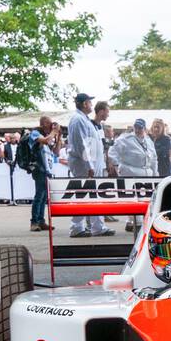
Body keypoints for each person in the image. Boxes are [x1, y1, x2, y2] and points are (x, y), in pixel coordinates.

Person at [65, 92, 111, 239]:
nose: (91, 105)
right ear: (85, 104)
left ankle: (98, 226)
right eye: (90, 103)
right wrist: (89, 165)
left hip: (91, 162)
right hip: (83, 163)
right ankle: (76, 227)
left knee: (94, 195)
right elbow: (81, 144)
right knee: (82, 195)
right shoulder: (78, 120)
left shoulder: (83, 119)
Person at [108, 119, 157, 231]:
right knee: (132, 198)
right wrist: (117, 166)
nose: (138, 130)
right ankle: (134, 222)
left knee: (145, 199)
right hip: (130, 171)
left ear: (145, 128)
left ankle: (134, 222)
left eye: (140, 128)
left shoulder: (148, 141)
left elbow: (154, 159)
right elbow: (112, 152)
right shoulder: (125, 139)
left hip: (146, 172)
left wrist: (155, 173)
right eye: (137, 127)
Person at [19, 114, 58, 231]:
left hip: (46, 169)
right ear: (44, 124)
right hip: (38, 168)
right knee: (39, 195)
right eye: (50, 123)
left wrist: (58, 135)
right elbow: (45, 141)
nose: (52, 125)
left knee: (44, 196)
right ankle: (34, 222)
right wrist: (53, 132)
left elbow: (56, 152)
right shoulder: (35, 133)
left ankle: (41, 221)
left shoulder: (48, 135)